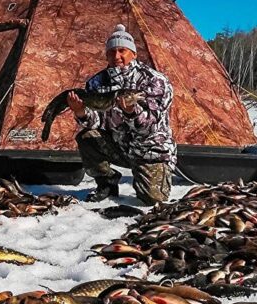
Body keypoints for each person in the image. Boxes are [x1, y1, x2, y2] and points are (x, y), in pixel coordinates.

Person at [67, 24, 176, 203]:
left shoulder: (155, 80)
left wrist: (131, 113)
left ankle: (148, 175)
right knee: (87, 137)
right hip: (119, 146)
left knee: (153, 199)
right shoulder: (96, 82)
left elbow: (151, 126)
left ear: (133, 53)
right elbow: (97, 122)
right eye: (111, 52)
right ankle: (107, 183)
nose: (116, 56)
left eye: (122, 51)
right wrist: (81, 112)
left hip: (150, 149)